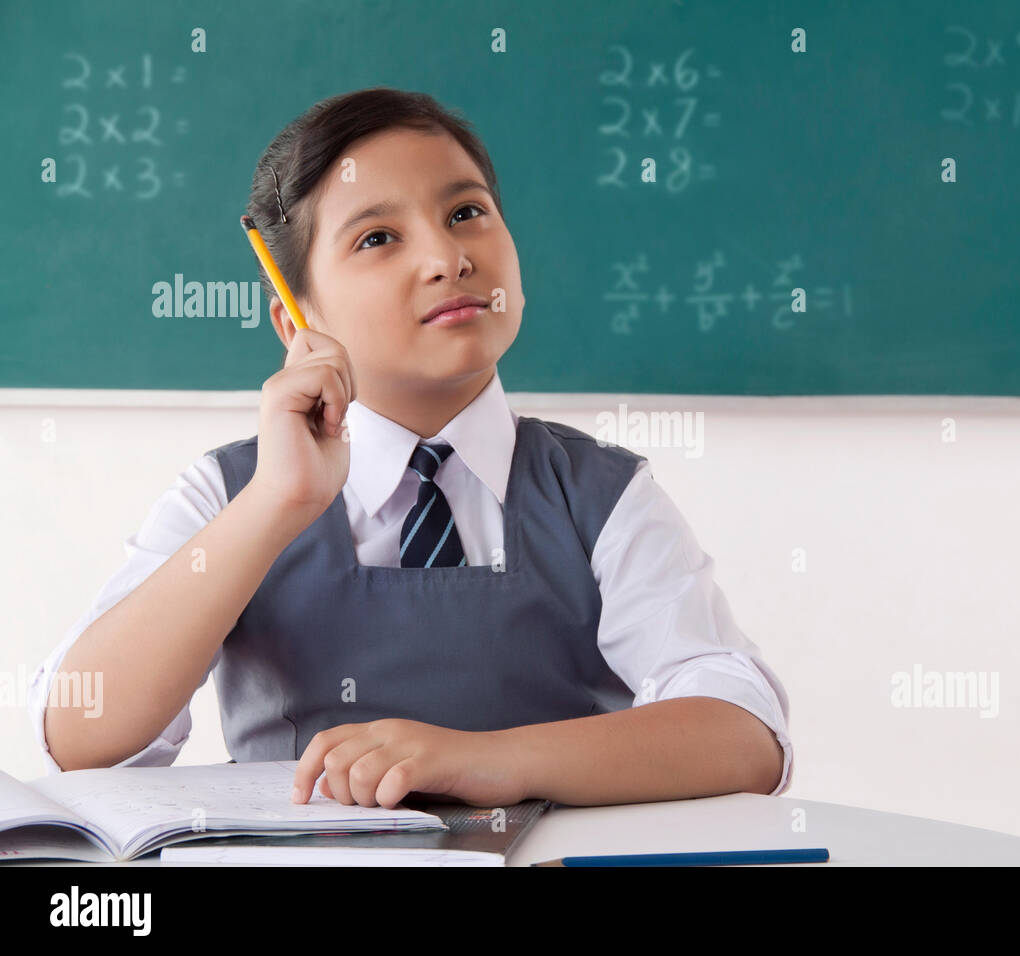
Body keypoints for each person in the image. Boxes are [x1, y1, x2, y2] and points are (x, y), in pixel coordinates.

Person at [31, 87, 792, 810]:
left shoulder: (598, 491)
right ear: (297, 323)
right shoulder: (234, 492)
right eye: (378, 237)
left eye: (466, 212)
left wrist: (479, 760)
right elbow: (81, 736)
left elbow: (743, 734)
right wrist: (276, 504)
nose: (446, 258)